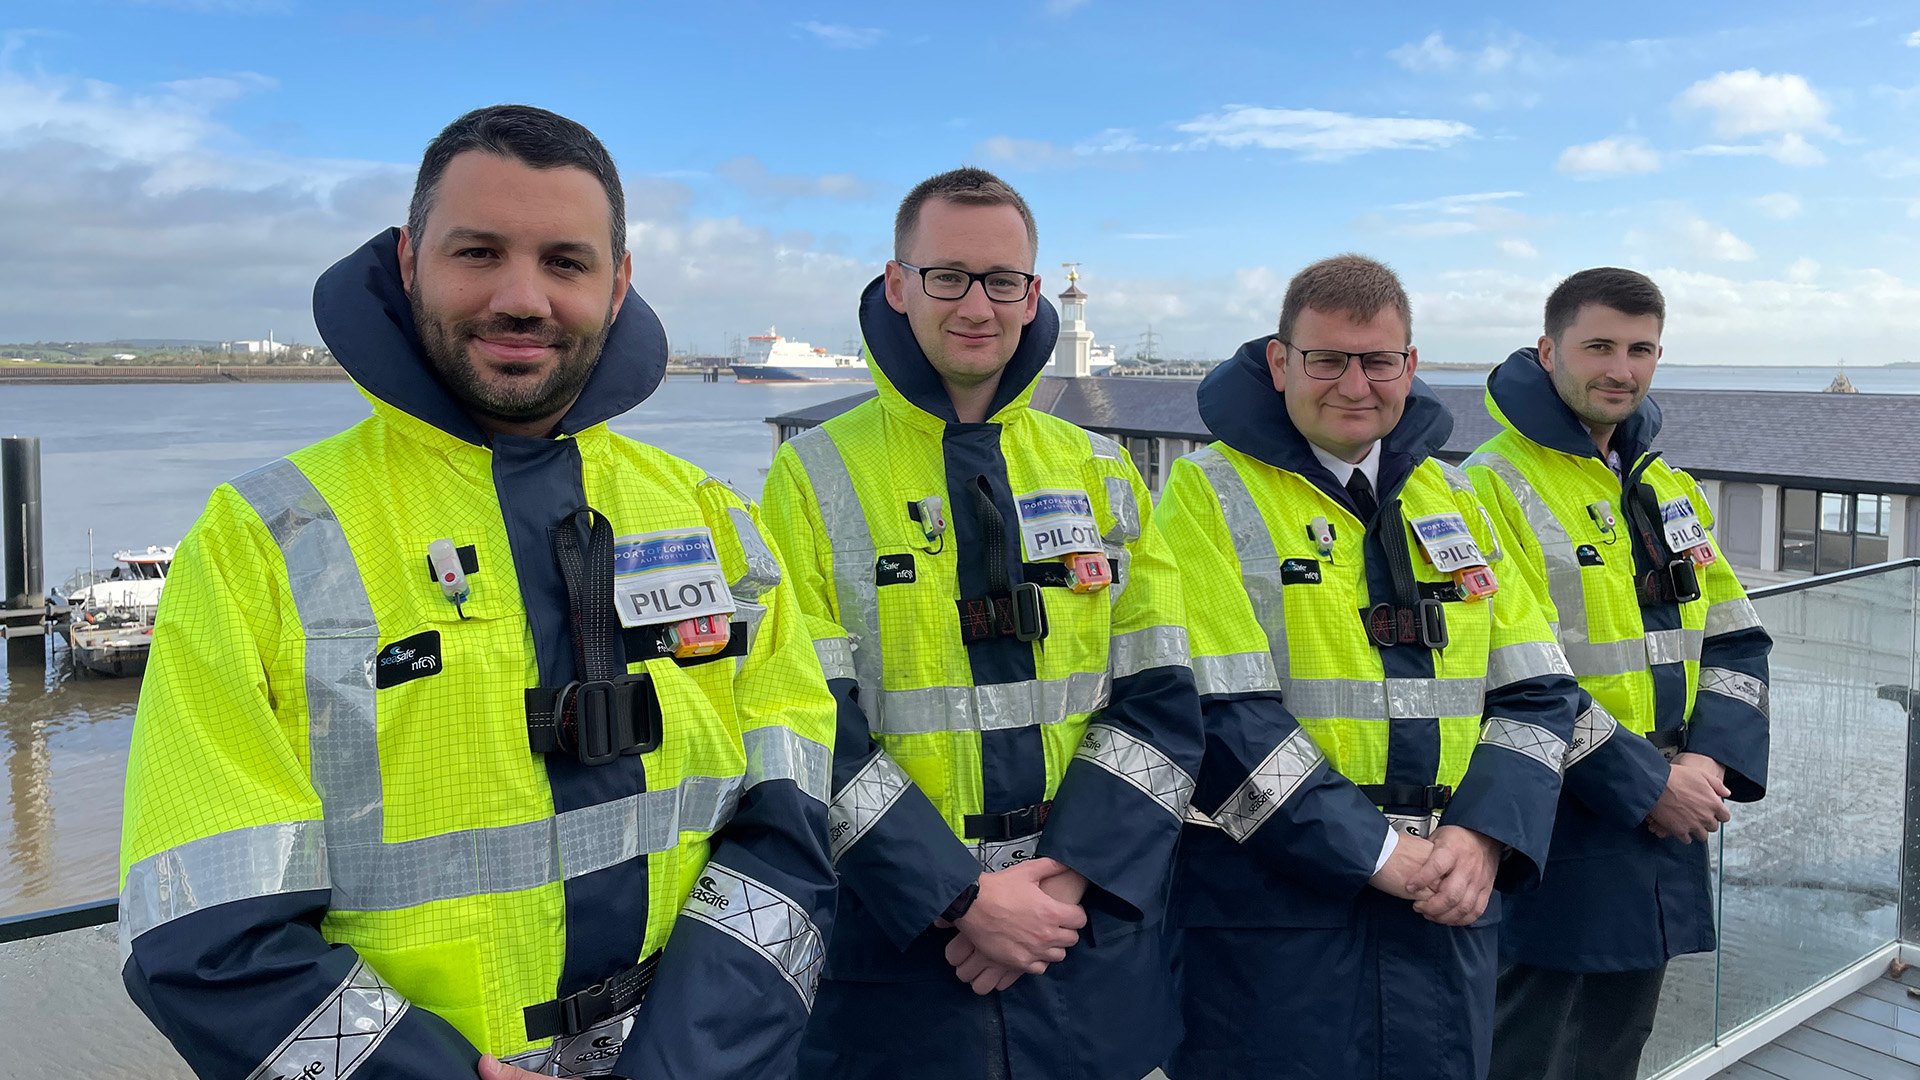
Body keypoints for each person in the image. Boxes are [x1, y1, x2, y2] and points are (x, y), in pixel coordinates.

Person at [116, 105, 838, 1080]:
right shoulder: (260, 544)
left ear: (619, 284)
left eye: (566, 263)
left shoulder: (711, 519)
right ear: (411, 260)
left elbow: (791, 821)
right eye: (479, 252)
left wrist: (684, 1063)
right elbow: (199, 925)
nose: (522, 297)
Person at [759, 167, 1204, 1080]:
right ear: (897, 284)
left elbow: (1160, 695)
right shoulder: (811, 477)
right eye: (948, 275)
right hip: (902, 954)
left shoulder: (1102, 470)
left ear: (1035, 293)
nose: (978, 304)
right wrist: (957, 896)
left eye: (1004, 281)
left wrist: (1068, 875)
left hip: (1084, 939)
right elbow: (805, 721)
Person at [1154, 254, 1582, 1080]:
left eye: (1379, 361)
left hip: (1451, 898)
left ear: (1410, 367)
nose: (1356, 384)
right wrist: (1378, 853)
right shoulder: (1204, 496)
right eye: (1328, 360)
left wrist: (1486, 835)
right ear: (1280, 363)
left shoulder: (1456, 497)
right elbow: (1217, 712)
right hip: (1272, 913)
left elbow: (1537, 687)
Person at [1467, 268, 1771, 1080]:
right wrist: (1653, 786)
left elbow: (1738, 638)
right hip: (1559, 815)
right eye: (1598, 345)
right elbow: (1513, 674)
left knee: (1615, 1047)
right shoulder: (1490, 487)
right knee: (1525, 1046)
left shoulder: (1664, 487)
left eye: (1640, 350)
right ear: (1546, 351)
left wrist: (1706, 762)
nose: (1620, 368)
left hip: (1669, 813)